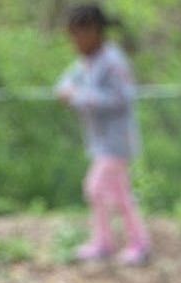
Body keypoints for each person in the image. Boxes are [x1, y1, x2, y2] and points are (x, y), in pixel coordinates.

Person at [56, 4, 150, 266]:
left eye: (78, 34)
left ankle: (135, 243)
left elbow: (122, 98)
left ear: (94, 31)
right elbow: (64, 83)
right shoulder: (85, 62)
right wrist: (69, 91)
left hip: (117, 141)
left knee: (98, 188)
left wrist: (79, 97)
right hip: (99, 141)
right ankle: (107, 242)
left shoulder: (112, 61)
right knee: (111, 193)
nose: (74, 41)